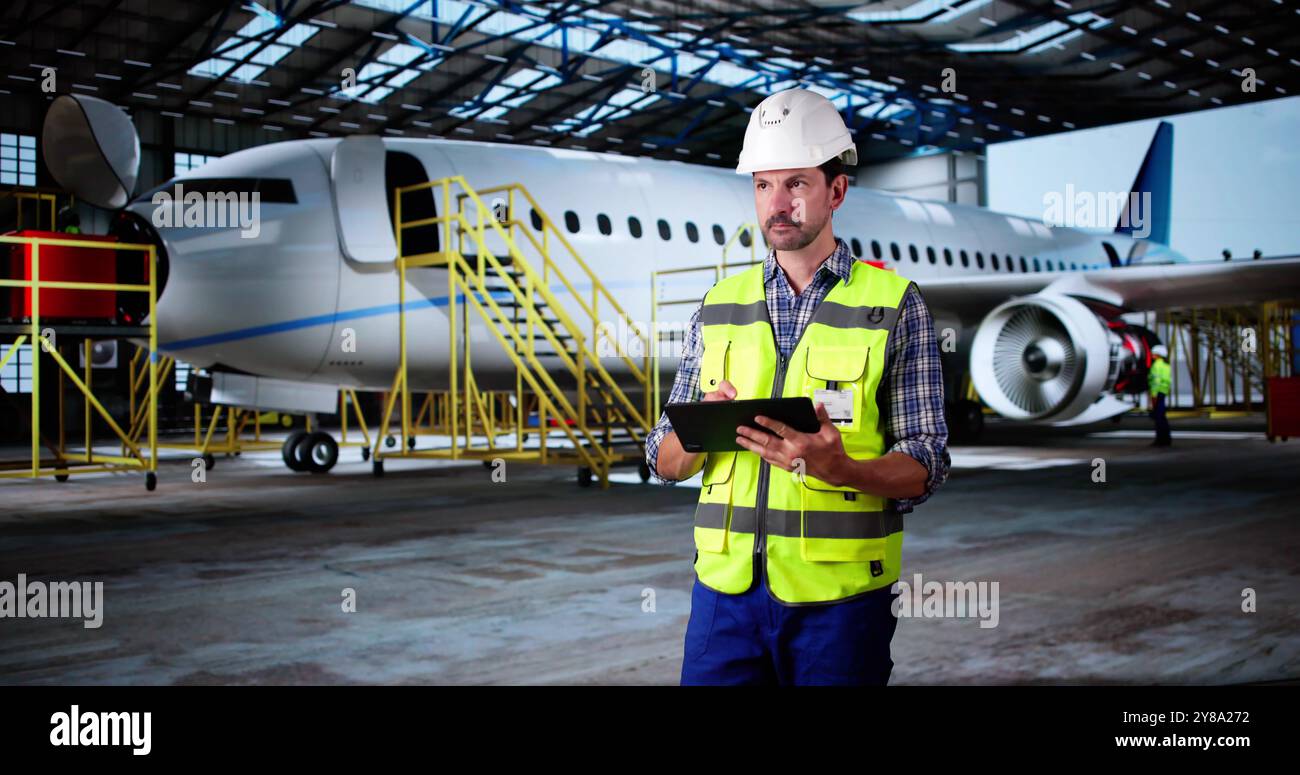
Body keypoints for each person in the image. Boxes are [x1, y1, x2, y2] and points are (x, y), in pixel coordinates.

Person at [644, 88, 950, 685]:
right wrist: (697, 430)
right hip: (724, 596)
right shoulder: (717, 307)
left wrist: (843, 468)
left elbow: (926, 461)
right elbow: (662, 457)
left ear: (836, 191)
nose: (776, 204)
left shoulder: (893, 305)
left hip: (839, 599)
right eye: (762, 185)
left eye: (796, 184)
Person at [1148, 344, 1172, 447]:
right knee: (1162, 417)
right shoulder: (1166, 365)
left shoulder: (1156, 365)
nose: (1152, 355)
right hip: (1163, 392)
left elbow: (1156, 382)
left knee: (1158, 418)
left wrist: (1153, 396)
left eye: (1154, 354)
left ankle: (1160, 440)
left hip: (1157, 393)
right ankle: (1166, 439)